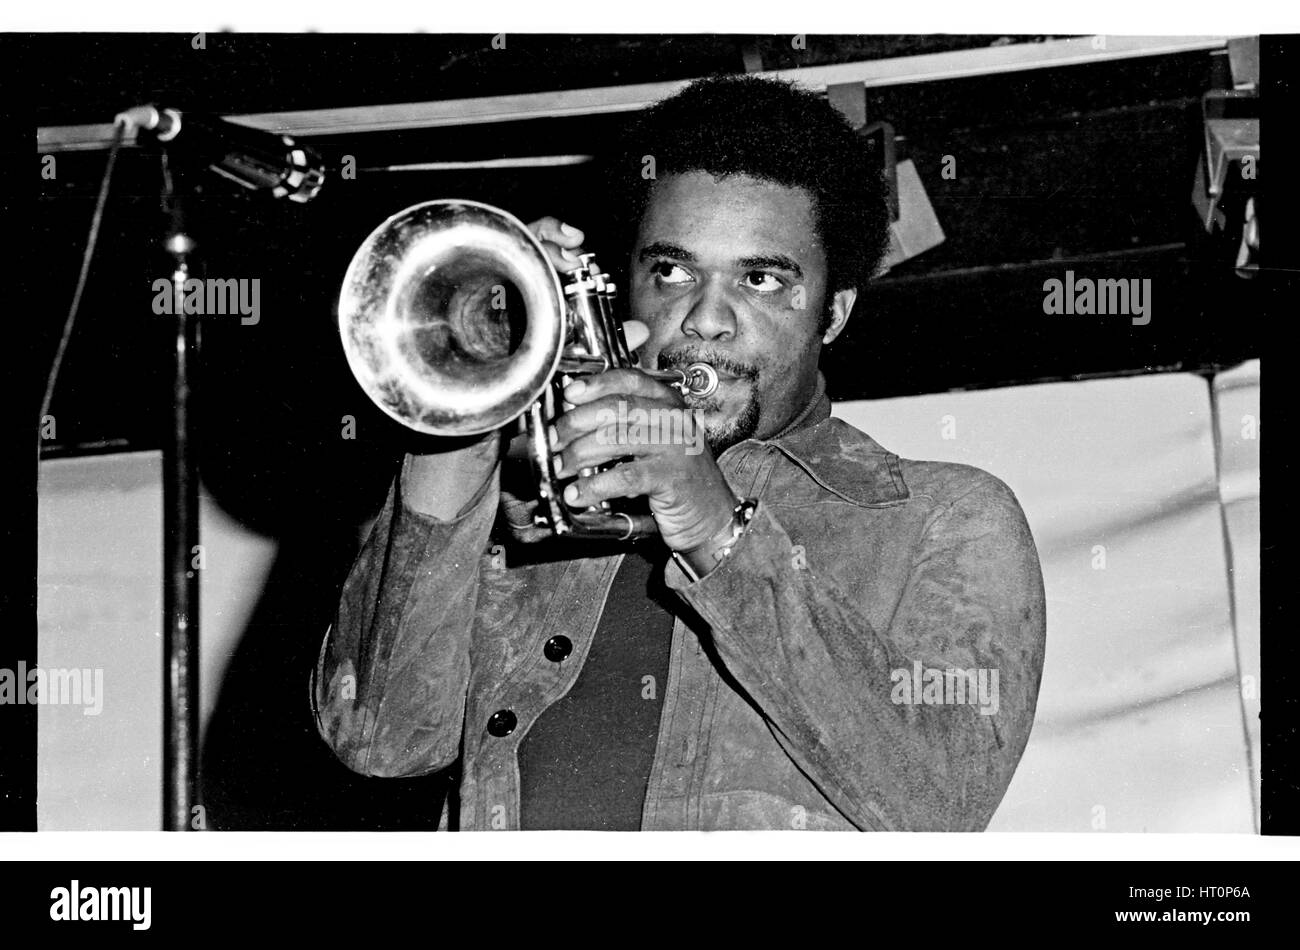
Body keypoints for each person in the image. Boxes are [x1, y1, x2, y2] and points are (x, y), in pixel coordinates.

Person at [312, 74, 1047, 831]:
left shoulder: (946, 516)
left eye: (760, 279)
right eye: (672, 271)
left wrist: (716, 531)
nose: (705, 319)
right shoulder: (525, 493)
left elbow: (943, 801)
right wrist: (471, 406)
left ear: (833, 314)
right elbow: (378, 740)